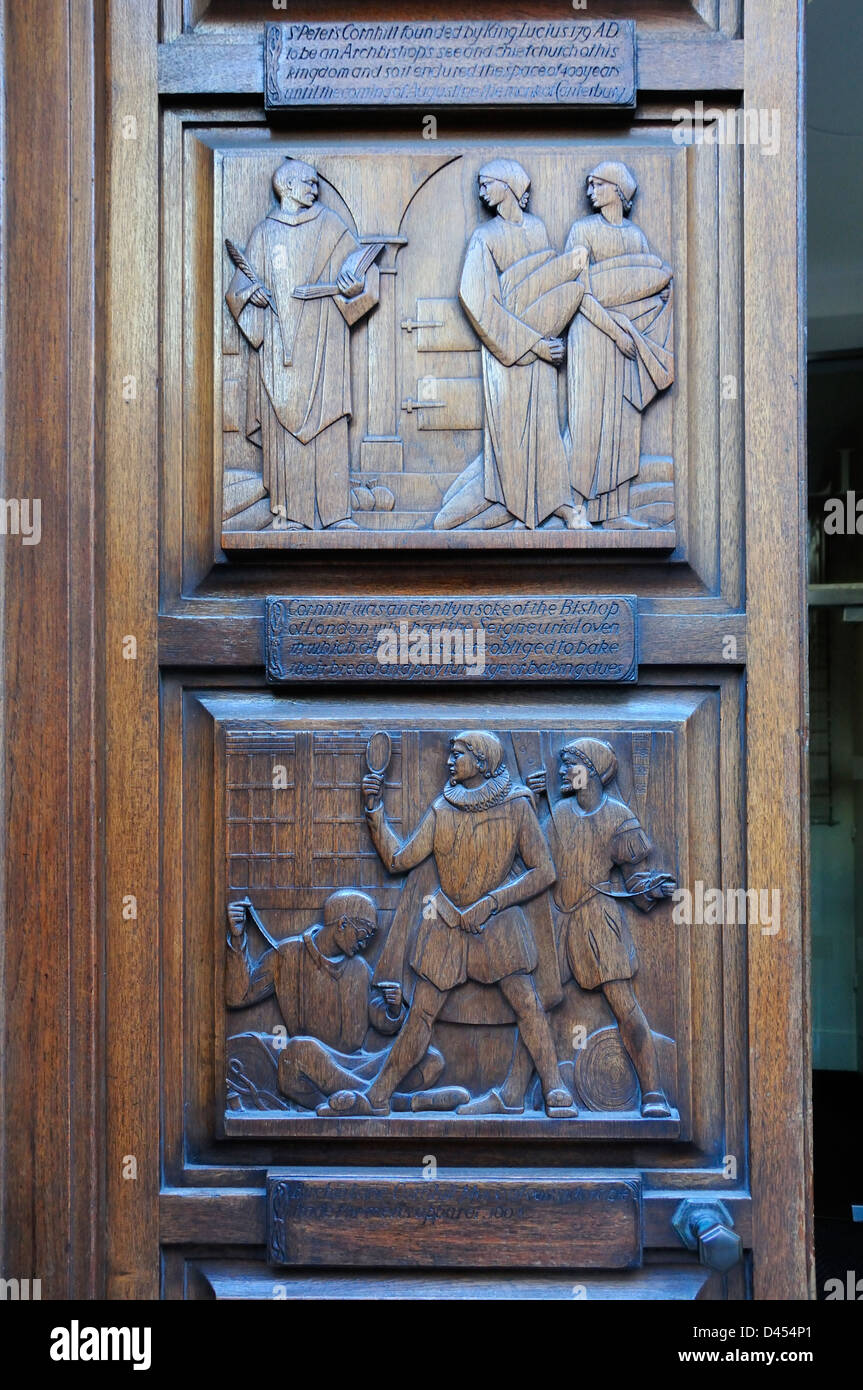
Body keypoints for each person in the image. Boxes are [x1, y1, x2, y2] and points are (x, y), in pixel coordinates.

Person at [323, 731, 576, 1116]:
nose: (449, 761)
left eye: (458, 754)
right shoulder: (444, 808)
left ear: (483, 760)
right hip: (446, 925)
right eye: (450, 754)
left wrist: (492, 902)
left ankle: (555, 1089)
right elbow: (398, 861)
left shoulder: (516, 805)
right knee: (421, 1014)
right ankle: (378, 1096)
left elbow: (544, 872)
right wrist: (374, 810)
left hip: (500, 922)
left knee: (528, 1006)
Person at [225, 158, 379, 531]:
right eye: (309, 183)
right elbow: (238, 289)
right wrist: (251, 294)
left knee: (327, 425)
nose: (316, 189)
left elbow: (364, 271)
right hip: (281, 347)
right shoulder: (264, 232)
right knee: (284, 424)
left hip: (325, 343)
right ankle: (290, 514)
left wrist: (353, 284)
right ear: (289, 187)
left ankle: (336, 513)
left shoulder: (331, 226)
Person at [434, 160, 586, 532]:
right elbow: (477, 300)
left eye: (488, 184)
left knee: (545, 428)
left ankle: (553, 503)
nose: (482, 191)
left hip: (542, 352)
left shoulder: (537, 229)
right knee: (510, 431)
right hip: (508, 354)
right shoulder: (484, 238)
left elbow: (545, 289)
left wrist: (552, 332)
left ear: (509, 186)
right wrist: (534, 344)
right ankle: (516, 508)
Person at [529, 738, 676, 1117]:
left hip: (598, 918)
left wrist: (653, 889)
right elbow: (537, 865)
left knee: (624, 1006)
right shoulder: (558, 815)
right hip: (559, 919)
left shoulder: (618, 817)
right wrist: (530, 810)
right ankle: (528, 1092)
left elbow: (635, 882)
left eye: (570, 765)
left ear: (591, 771)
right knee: (536, 1003)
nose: (562, 771)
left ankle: (654, 1093)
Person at [225, 888, 443, 1113]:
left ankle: (353, 1101)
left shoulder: (359, 968)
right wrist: (237, 937)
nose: (365, 943)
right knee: (299, 1051)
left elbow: (378, 1017)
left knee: (432, 1059)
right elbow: (238, 996)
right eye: (363, 934)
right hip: (307, 1064)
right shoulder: (287, 955)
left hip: (355, 1066)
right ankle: (382, 1098)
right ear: (342, 924)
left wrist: (394, 1008)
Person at [564, 162, 674, 527]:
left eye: (598, 185)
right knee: (588, 421)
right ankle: (575, 508)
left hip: (629, 339)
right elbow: (575, 289)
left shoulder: (636, 237)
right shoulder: (583, 231)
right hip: (594, 335)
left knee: (623, 422)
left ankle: (614, 513)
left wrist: (661, 292)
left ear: (618, 190)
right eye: (590, 185)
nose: (591, 191)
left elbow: (641, 286)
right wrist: (614, 330)